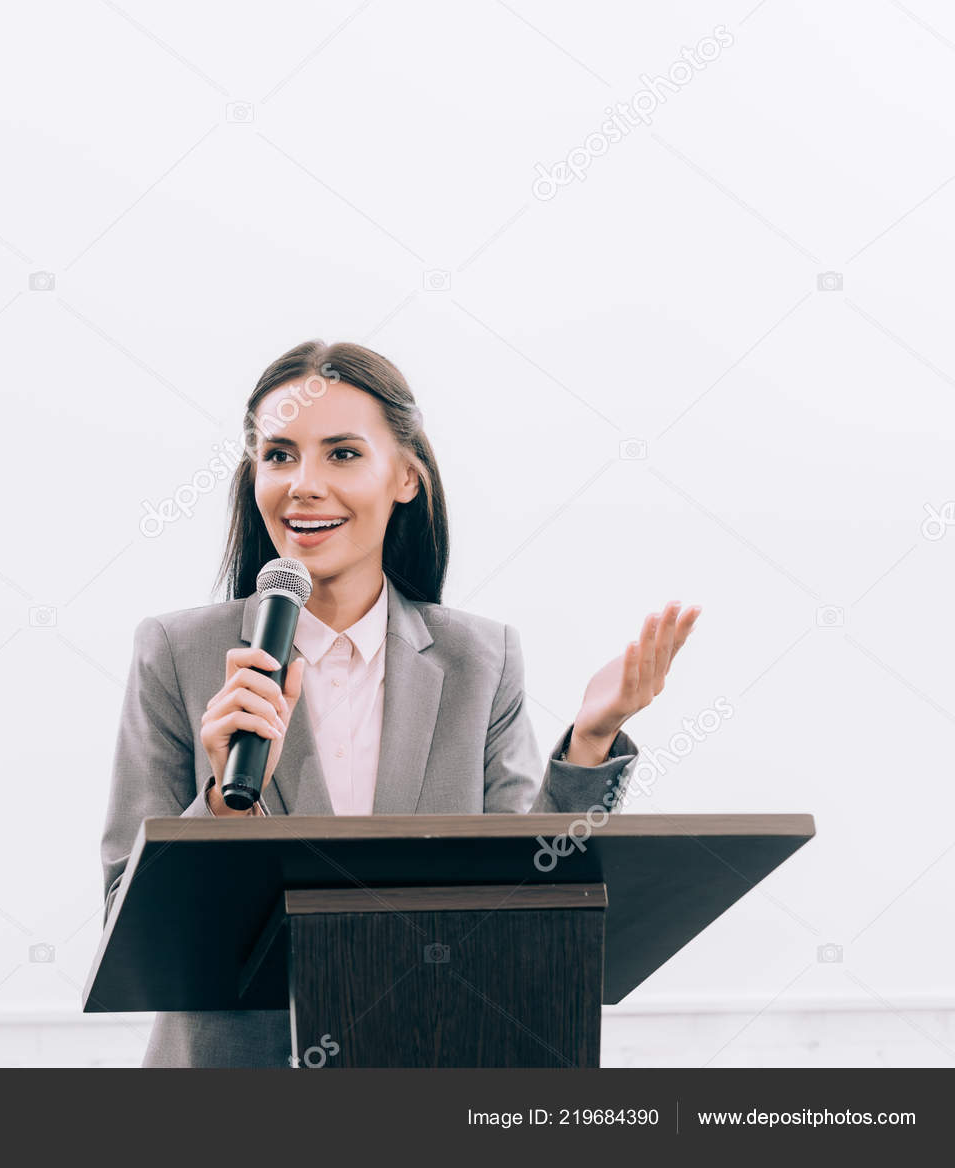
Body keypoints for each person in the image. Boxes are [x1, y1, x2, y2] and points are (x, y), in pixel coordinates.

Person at [98, 339, 699, 1068]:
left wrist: (592, 743)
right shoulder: (177, 653)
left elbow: (527, 898)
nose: (303, 484)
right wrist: (222, 810)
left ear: (407, 477)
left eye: (343, 454)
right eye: (279, 455)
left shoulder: (480, 659)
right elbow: (130, 929)